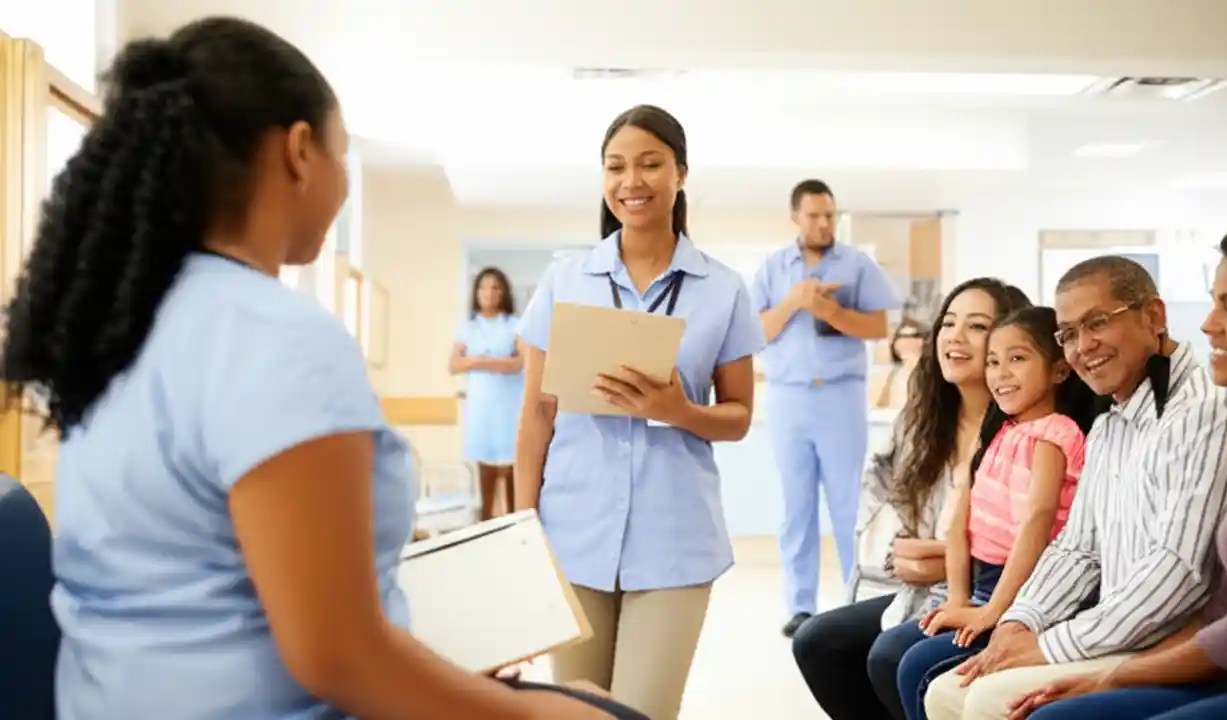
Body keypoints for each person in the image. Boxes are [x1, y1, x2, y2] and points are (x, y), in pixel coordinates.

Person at [0, 17, 640, 719]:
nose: (339, 182)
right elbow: (338, 656)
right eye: (341, 153)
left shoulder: (120, 325)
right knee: (602, 707)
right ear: (300, 152)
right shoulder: (275, 336)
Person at [923, 256, 1227, 720]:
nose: (1082, 346)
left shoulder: (1213, 409)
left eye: (1096, 324)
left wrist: (1050, 645)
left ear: (1153, 315)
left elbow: (1179, 571)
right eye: (1067, 334)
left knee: (991, 698)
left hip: (1173, 639)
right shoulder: (1111, 423)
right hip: (1112, 630)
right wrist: (1020, 620)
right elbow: (1078, 548)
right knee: (945, 693)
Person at [513, 104, 764, 720]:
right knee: (573, 712)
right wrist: (522, 526)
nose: (633, 181)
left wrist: (678, 410)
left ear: (680, 173)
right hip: (573, 531)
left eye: (650, 164)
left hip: (674, 538)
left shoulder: (722, 287)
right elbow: (537, 413)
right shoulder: (567, 280)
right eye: (616, 166)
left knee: (641, 713)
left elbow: (737, 416)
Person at [793, 278, 1031, 720]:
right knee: (818, 639)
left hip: (997, 593)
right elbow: (880, 514)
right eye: (949, 323)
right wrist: (906, 555)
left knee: (888, 654)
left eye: (977, 327)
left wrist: (957, 560)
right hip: (919, 587)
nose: (955, 337)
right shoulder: (920, 420)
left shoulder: (1027, 428)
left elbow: (1038, 533)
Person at [886, 306, 1100, 720]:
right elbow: (959, 525)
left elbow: (1037, 522)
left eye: (1017, 359)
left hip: (1025, 591)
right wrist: (958, 597)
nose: (1001, 374)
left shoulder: (1055, 434)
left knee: (917, 667)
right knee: (899, 656)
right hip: (981, 585)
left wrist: (994, 610)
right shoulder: (999, 431)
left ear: (1058, 370)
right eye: (993, 362)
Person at [752, 179, 901, 637]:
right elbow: (756, 331)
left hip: (839, 396)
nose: (823, 223)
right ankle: (800, 607)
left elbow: (879, 325)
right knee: (795, 507)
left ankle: (854, 601)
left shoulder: (857, 265)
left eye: (829, 215)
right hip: (788, 398)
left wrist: (831, 312)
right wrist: (797, 301)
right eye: (814, 215)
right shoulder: (773, 268)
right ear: (795, 217)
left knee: (846, 504)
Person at [450, 266, 523, 519]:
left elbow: (519, 364)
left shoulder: (516, 325)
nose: (489, 293)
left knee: (513, 467)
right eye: (483, 287)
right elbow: (454, 364)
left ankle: (516, 525)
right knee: (485, 470)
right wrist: (494, 362)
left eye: (495, 287)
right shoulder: (468, 328)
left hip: (510, 408)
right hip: (481, 408)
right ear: (476, 293)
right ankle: (486, 524)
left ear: (503, 293)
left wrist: (478, 361)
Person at [874, 318, 927, 409]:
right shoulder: (889, 374)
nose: (909, 342)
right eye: (903, 337)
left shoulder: (930, 373)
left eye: (915, 336)